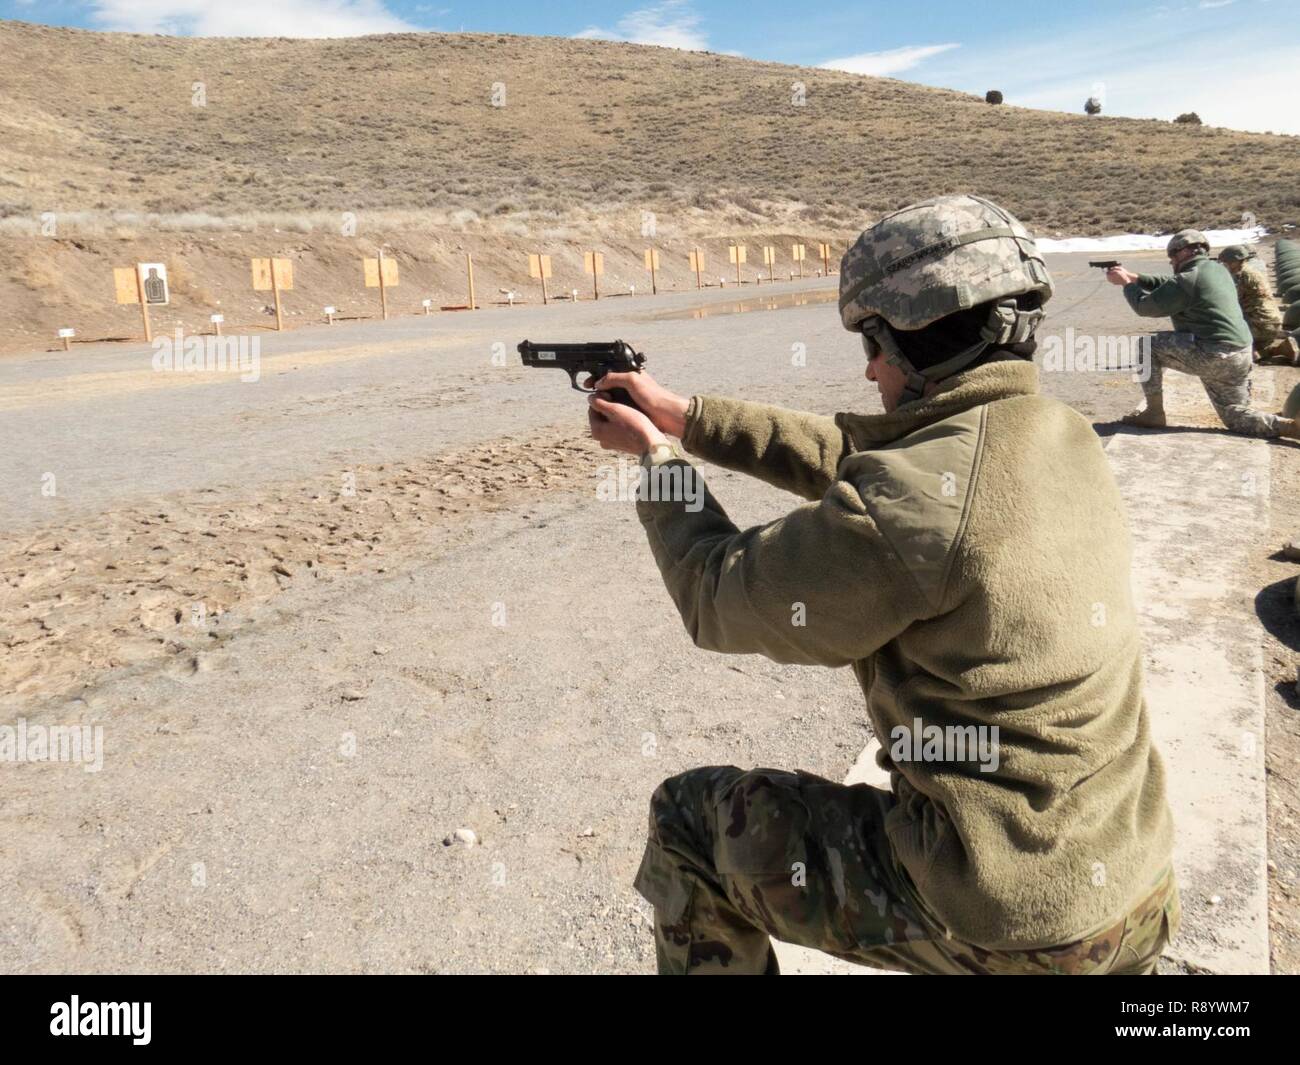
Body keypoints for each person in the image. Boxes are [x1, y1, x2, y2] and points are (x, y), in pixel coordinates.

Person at [588, 194, 1179, 975]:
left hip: (1012, 915)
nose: (868, 366)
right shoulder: (1053, 433)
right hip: (1132, 888)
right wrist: (687, 416)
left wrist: (658, 461)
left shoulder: (911, 504)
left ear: (915, 345)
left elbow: (714, 594)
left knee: (689, 820)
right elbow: (872, 464)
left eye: (875, 342)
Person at [1107, 230, 1300, 437]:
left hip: (1213, 355)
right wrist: (1135, 278)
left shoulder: (1188, 279)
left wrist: (1126, 285)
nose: (1171, 261)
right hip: (1241, 355)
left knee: (1147, 345)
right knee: (1236, 417)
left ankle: (1153, 412)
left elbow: (1144, 307)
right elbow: (1171, 282)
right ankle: (1289, 427)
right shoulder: (1217, 270)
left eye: (1172, 256)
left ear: (1182, 253)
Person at [1216, 244, 1299, 365]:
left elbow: (1232, 301)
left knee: (1227, 339)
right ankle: (1281, 349)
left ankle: (1270, 351)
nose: (1225, 265)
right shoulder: (1250, 271)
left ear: (1235, 262)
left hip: (1260, 323)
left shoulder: (1242, 276)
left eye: (1226, 262)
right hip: (1268, 321)